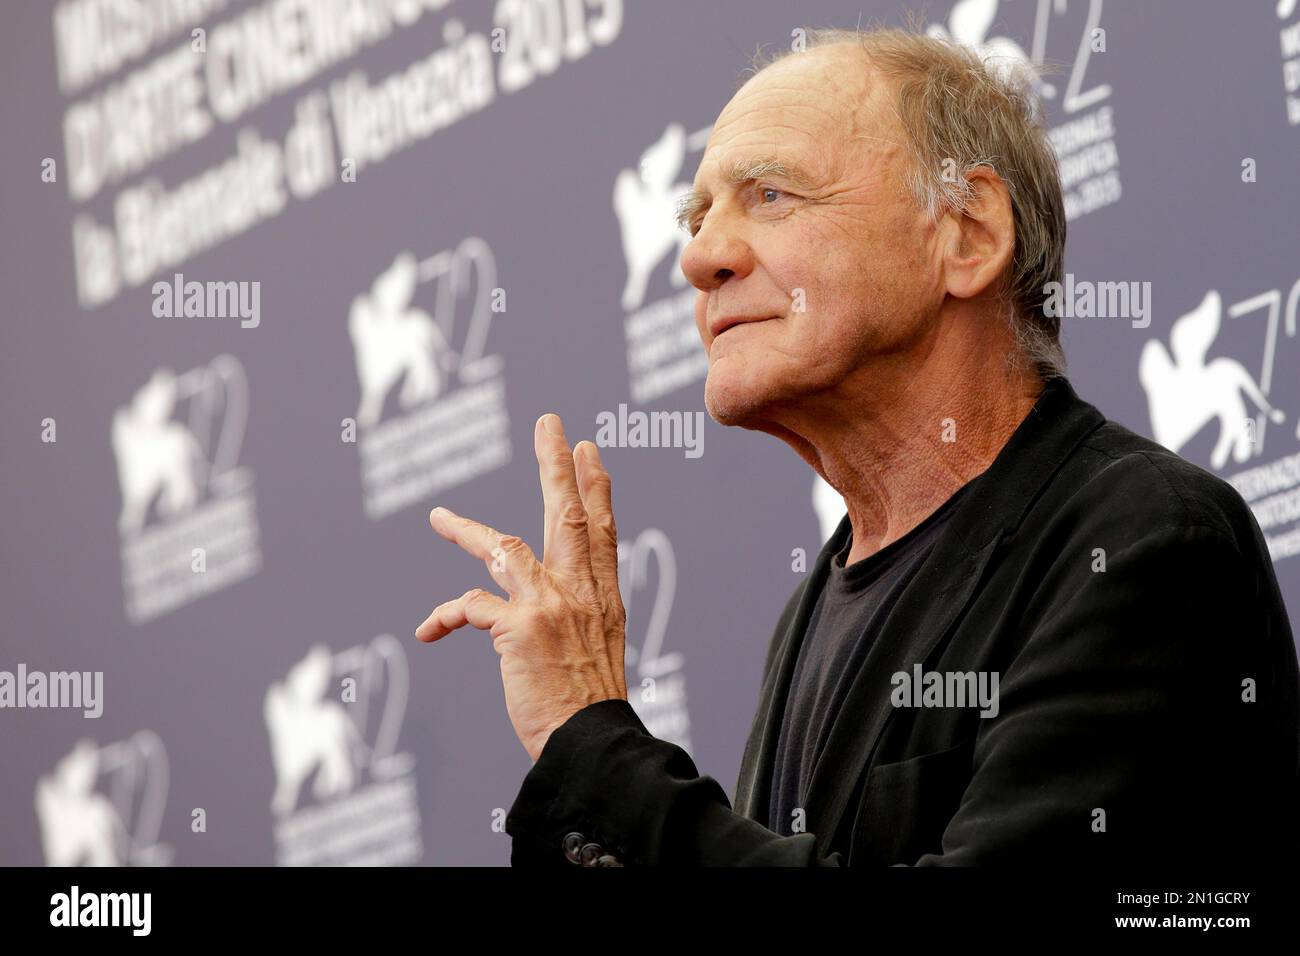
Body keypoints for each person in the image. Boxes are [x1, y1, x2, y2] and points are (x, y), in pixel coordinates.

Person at [414, 27, 1299, 865]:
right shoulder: (809, 616)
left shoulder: (1141, 542)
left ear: (967, 234)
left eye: (770, 194)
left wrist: (595, 745)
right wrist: (583, 752)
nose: (699, 258)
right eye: (697, 217)